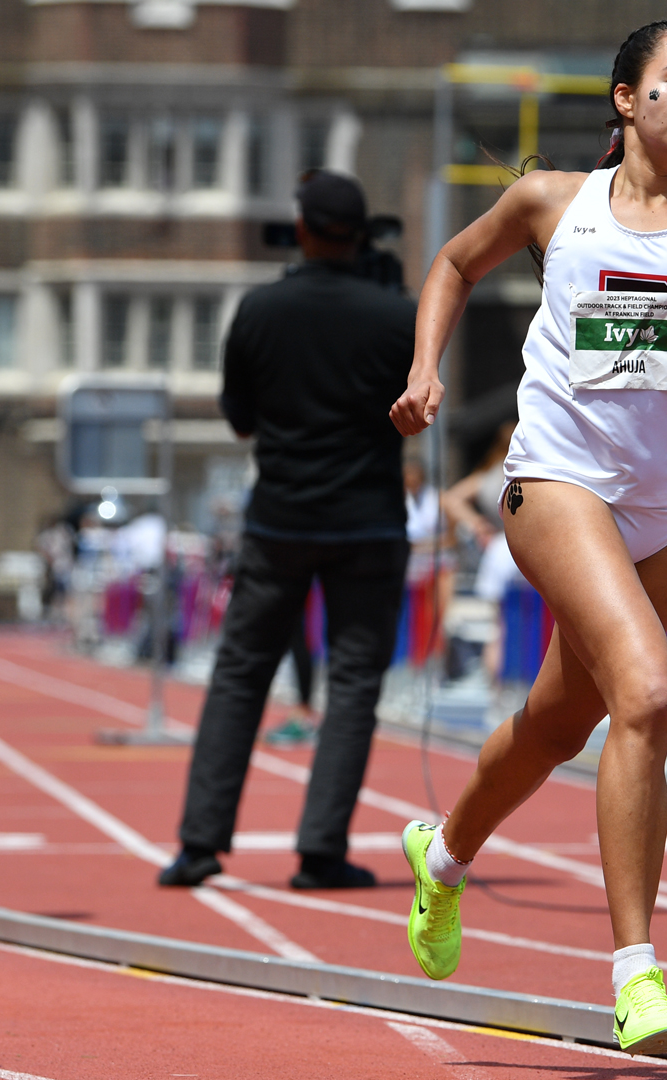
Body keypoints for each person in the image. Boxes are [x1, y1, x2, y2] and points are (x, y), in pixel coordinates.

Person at [385, 20, 667, 1056]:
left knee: (557, 725)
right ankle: (638, 976)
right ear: (627, 99)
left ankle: (440, 857)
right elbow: (450, 262)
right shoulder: (551, 203)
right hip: (555, 484)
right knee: (649, 693)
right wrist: (425, 369)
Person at [160, 170, 415, 892]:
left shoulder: (260, 309)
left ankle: (201, 844)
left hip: (279, 520)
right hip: (369, 521)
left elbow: (240, 416)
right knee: (355, 683)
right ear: (361, 236)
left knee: (241, 673)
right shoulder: (400, 319)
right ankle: (320, 850)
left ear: (301, 228)